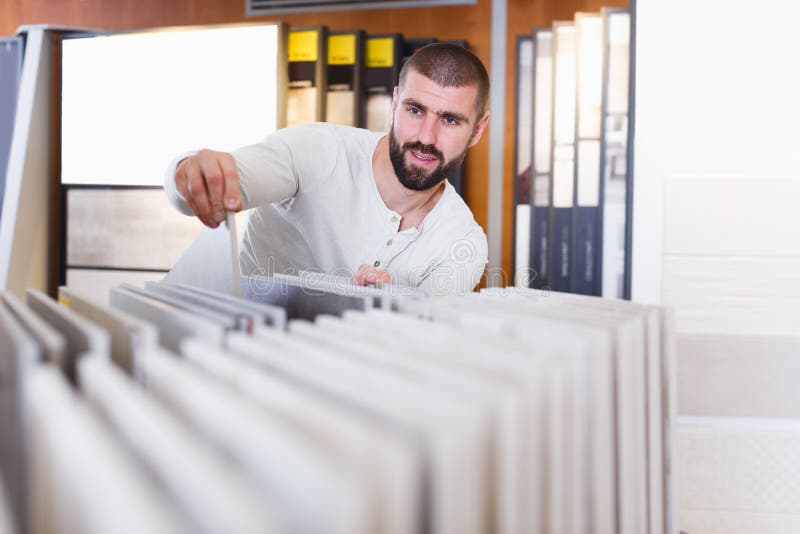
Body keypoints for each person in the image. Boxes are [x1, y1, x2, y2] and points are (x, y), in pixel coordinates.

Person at [164, 43, 490, 296]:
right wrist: (190, 174)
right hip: (227, 351)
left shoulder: (463, 244)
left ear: (477, 129)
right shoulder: (320, 151)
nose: (425, 137)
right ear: (394, 104)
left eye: (450, 120)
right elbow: (223, 184)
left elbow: (416, 341)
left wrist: (396, 304)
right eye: (415, 110)